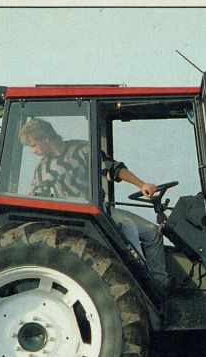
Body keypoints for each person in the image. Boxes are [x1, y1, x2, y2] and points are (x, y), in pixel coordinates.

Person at [18, 118, 168, 289]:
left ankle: (160, 282)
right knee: (128, 226)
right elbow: (36, 200)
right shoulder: (43, 170)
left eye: (33, 145)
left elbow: (113, 168)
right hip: (82, 219)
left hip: (102, 208)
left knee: (151, 232)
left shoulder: (82, 150)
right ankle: (144, 282)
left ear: (45, 138)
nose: (33, 151)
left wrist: (142, 184)